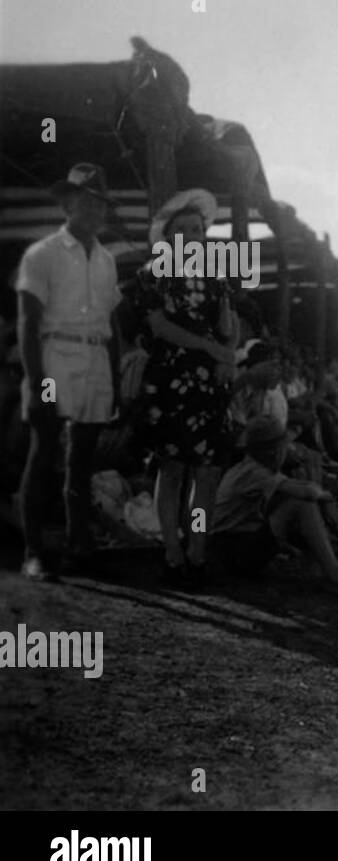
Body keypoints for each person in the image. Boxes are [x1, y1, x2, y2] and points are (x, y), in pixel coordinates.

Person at [16, 164, 123, 580]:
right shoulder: (42, 254)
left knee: (82, 460)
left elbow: (112, 324)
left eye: (101, 204)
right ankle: (34, 551)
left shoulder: (108, 260)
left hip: (95, 360)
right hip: (54, 356)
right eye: (86, 201)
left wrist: (115, 379)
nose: (94, 210)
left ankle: (79, 544)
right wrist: (38, 380)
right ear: (68, 203)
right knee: (43, 452)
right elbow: (28, 322)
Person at [132, 189, 237, 587]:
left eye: (198, 229)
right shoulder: (152, 272)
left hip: (210, 383)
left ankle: (197, 551)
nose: (193, 235)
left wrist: (226, 350)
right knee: (173, 467)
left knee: (208, 472)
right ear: (169, 235)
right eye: (184, 230)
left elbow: (227, 326)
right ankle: (171, 552)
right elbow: (159, 326)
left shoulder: (215, 275)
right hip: (171, 379)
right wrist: (211, 346)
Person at [210, 416, 338, 599]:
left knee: (297, 500)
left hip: (237, 543)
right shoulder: (254, 472)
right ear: (273, 450)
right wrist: (324, 496)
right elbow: (307, 493)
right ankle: (337, 577)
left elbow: (300, 487)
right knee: (301, 504)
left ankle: (332, 569)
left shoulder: (255, 467)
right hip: (231, 551)